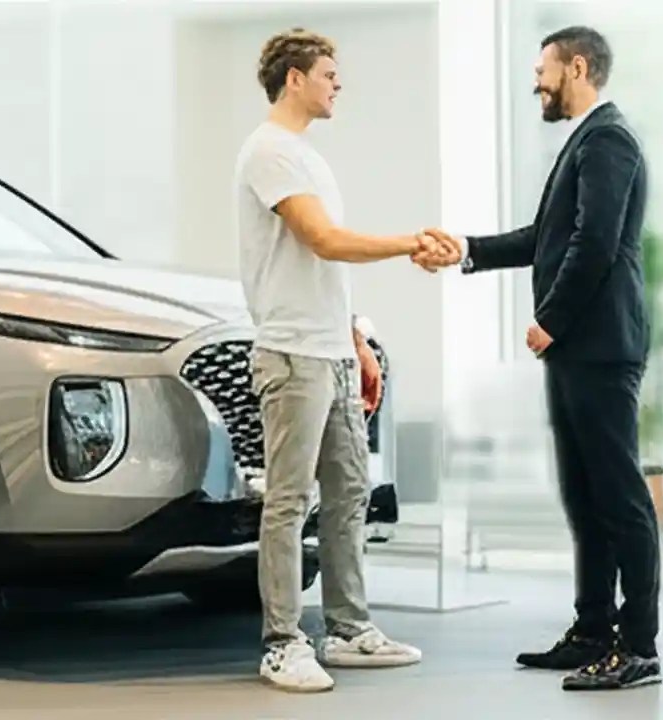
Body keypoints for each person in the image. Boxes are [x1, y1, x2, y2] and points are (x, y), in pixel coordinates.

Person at [416, 26, 661, 691]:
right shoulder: (586, 140)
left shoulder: (606, 139)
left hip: (600, 346)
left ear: (576, 67)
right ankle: (592, 633)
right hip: (582, 349)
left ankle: (637, 648)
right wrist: (462, 247)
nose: (535, 82)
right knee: (585, 499)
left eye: (543, 70)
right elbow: (544, 237)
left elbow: (596, 244)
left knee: (619, 497)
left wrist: (549, 320)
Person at [235, 27, 431, 693]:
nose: (337, 84)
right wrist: (410, 243)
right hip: (291, 355)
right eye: (328, 73)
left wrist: (356, 341)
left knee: (350, 493)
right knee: (289, 501)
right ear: (294, 78)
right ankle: (282, 642)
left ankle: (348, 631)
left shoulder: (306, 156)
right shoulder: (269, 152)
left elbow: (322, 270)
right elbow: (321, 240)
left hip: (331, 354)